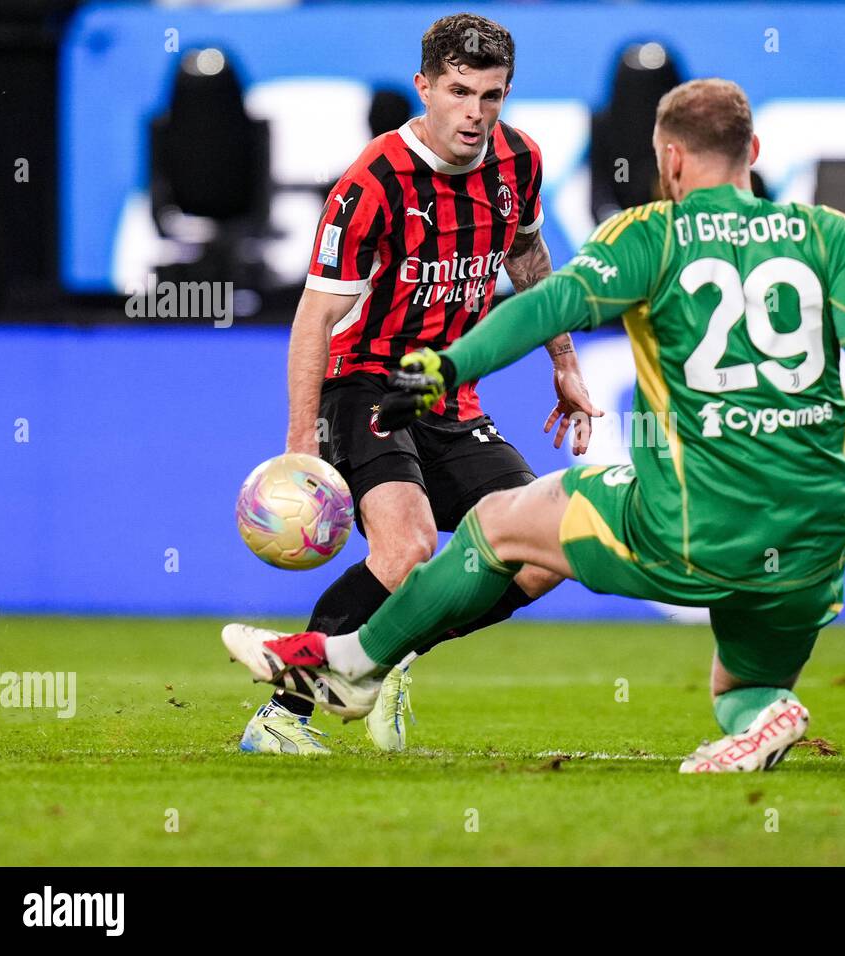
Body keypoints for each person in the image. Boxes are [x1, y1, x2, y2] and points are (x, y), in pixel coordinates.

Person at [223, 78, 845, 772]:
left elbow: (545, 308)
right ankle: (765, 717)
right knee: (738, 685)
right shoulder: (831, 239)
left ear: (668, 160)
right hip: (820, 539)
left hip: (694, 524)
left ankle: (345, 664)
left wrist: (449, 366)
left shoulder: (649, 236)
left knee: (503, 526)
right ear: (755, 151)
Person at [232, 13, 601, 755]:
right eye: (459, 92)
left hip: (449, 393)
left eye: (491, 96)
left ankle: (383, 654)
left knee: (549, 550)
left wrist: (563, 359)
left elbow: (528, 258)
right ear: (424, 87)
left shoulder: (519, 161)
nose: (474, 113)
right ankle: (280, 717)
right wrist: (302, 444)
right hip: (364, 384)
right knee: (409, 549)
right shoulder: (373, 182)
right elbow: (314, 319)